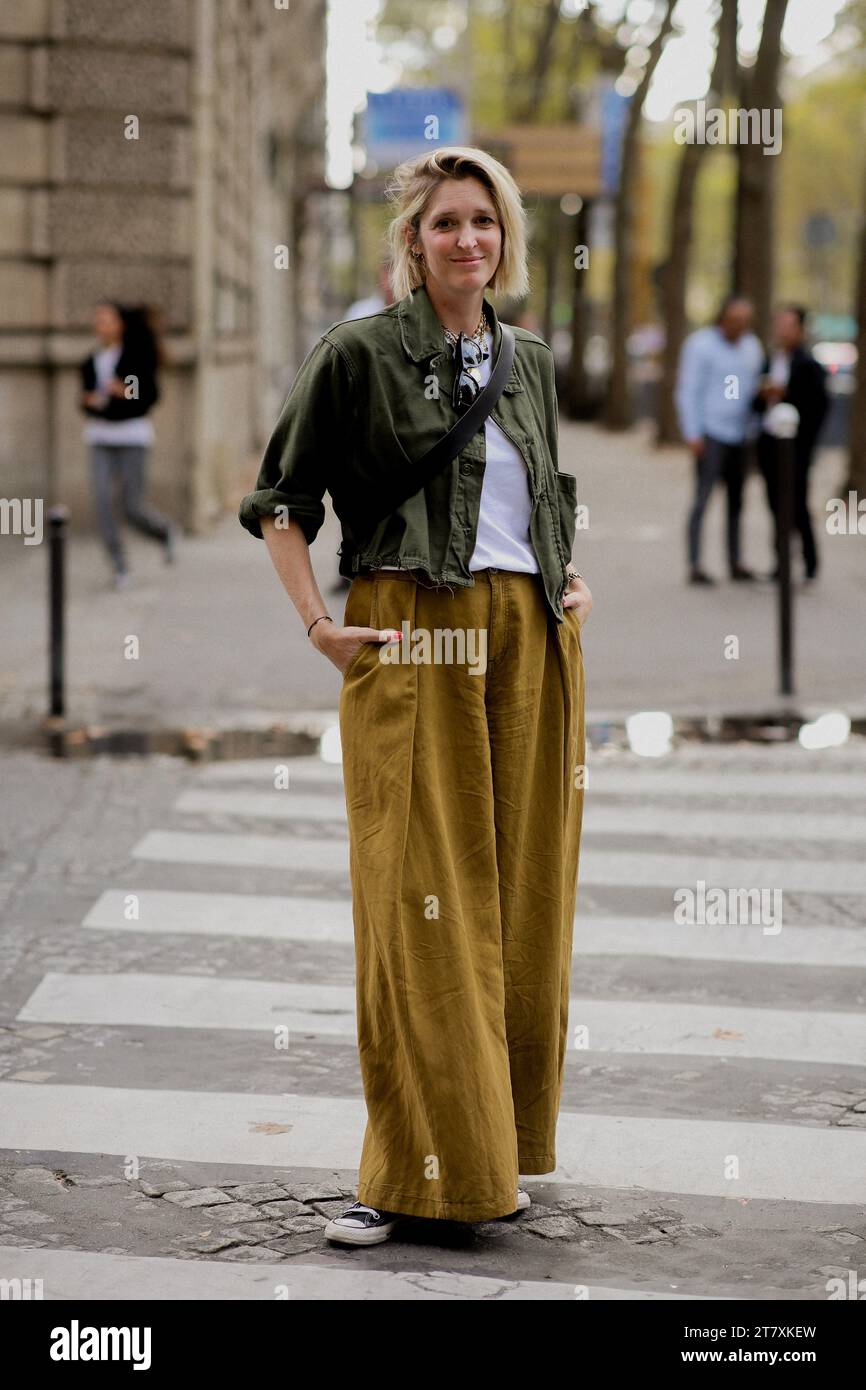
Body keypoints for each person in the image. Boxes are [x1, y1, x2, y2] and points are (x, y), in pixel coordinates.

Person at [238, 145, 591, 1246]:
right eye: (444, 222)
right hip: (409, 629)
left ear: (505, 238)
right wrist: (317, 627)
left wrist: (564, 571)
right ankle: (407, 1172)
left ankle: (494, 1147)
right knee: (415, 906)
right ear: (412, 239)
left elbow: (536, 488)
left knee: (521, 905)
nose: (466, 240)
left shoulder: (525, 360)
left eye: (482, 222)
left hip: (529, 641)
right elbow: (280, 502)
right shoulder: (356, 354)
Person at [80, 300, 175, 588]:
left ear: (120, 324)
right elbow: (86, 401)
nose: (101, 325)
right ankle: (120, 566)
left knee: (132, 505)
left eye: (107, 319)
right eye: (98, 320)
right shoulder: (91, 361)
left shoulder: (136, 358)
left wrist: (125, 391)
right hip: (100, 437)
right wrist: (89, 401)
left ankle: (162, 531)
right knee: (102, 501)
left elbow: (148, 395)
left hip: (132, 436)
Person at [675, 295, 765, 585]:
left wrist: (756, 428)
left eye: (744, 322)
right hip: (710, 433)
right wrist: (693, 432)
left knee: (737, 502)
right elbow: (688, 389)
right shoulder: (700, 345)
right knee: (703, 498)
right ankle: (695, 563)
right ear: (722, 318)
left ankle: (736, 561)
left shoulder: (752, 347)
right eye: (734, 321)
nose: (739, 327)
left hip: (741, 435)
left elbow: (754, 389)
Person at [753, 304, 829, 582]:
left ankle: (810, 562)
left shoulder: (808, 365)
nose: (782, 331)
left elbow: (817, 407)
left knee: (796, 505)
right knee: (775, 505)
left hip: (796, 448)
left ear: (800, 329)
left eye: (788, 325)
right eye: (779, 325)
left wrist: (785, 394)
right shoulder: (769, 360)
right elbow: (755, 401)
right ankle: (781, 562)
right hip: (770, 445)